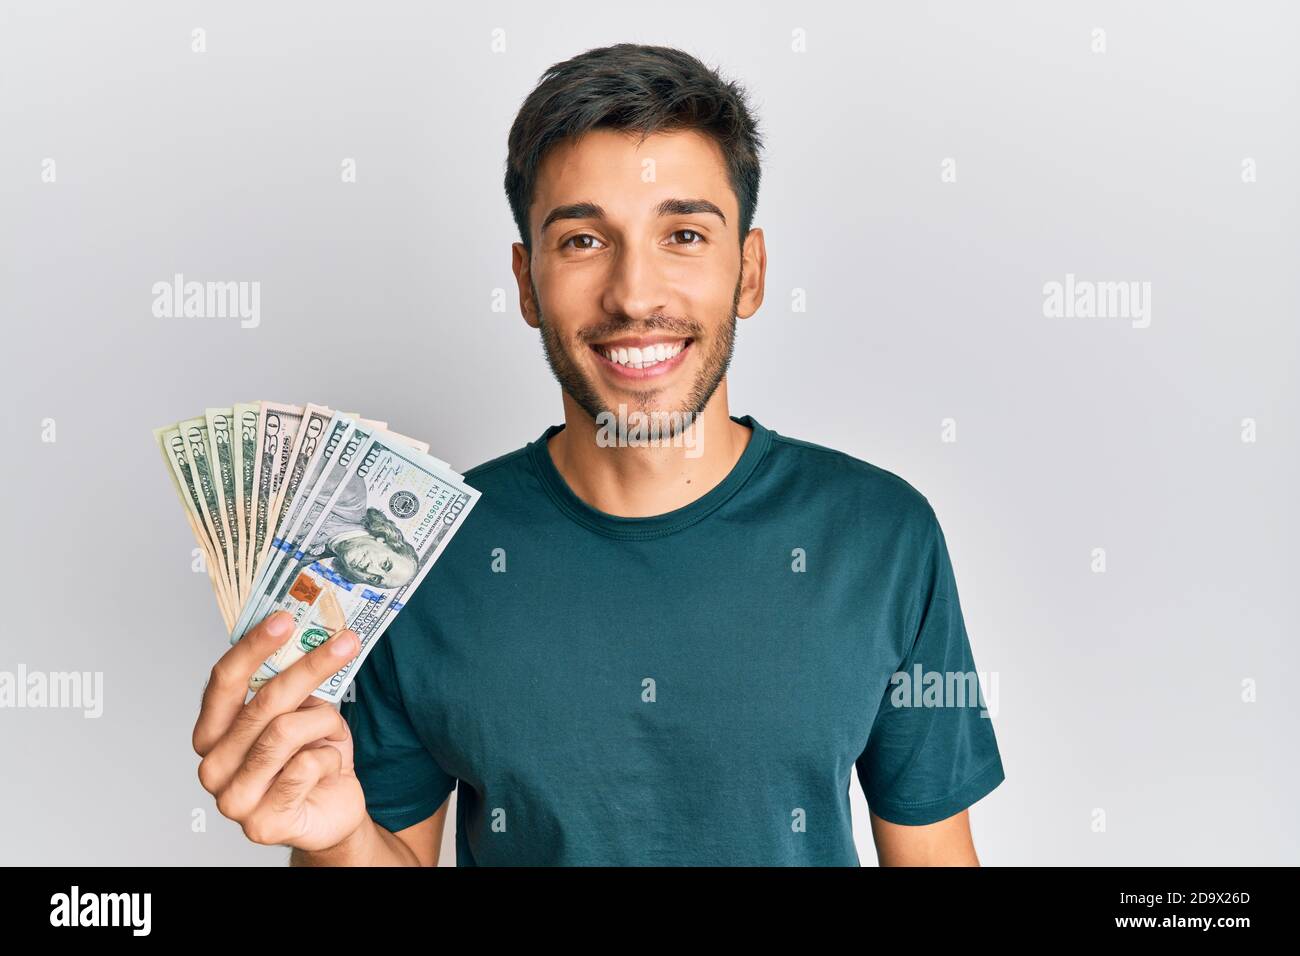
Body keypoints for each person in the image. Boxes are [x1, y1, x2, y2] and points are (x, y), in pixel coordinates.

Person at [193, 42, 1005, 866]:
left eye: (683, 234)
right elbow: (379, 846)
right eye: (583, 241)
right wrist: (336, 841)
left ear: (750, 272)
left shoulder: (882, 535)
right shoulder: (418, 557)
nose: (634, 295)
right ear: (526, 281)